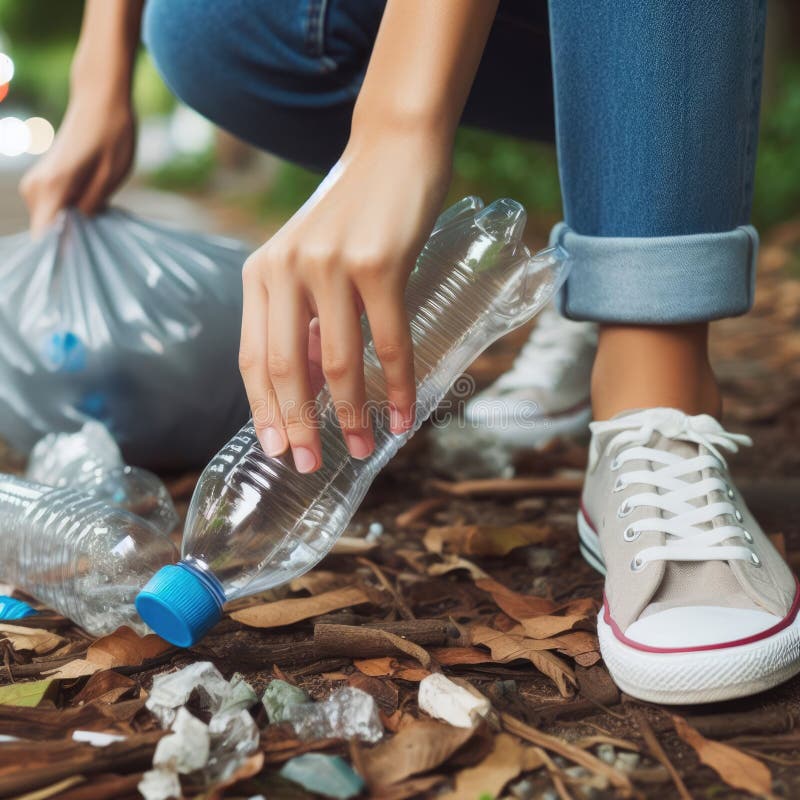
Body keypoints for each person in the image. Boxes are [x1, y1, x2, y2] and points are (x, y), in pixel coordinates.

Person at [21, 0, 797, 704]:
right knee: (209, 28)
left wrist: (397, 124)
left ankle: (652, 379)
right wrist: (100, 77)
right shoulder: (219, 542)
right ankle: (604, 253)